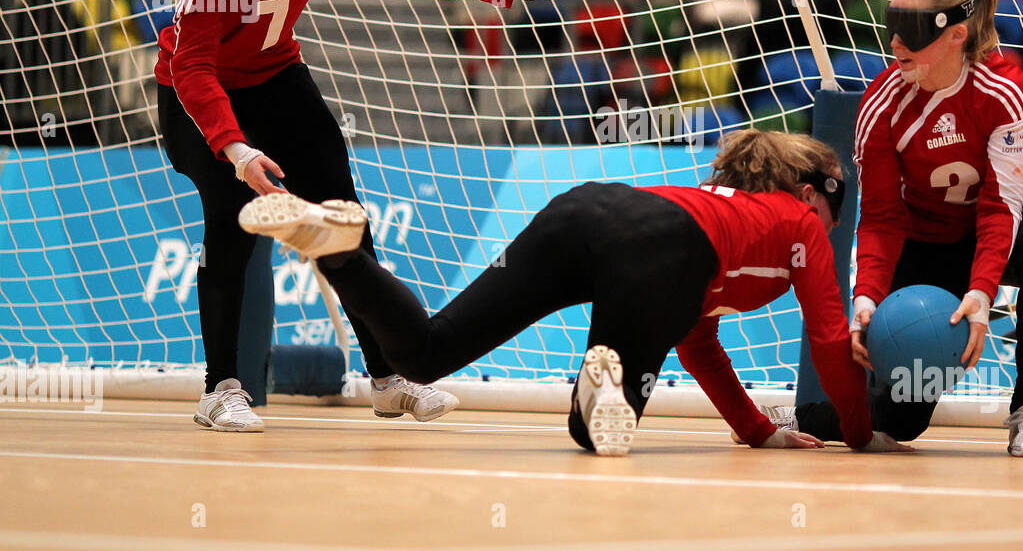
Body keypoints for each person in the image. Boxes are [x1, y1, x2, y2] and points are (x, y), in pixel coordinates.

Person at [154, 0, 578, 431]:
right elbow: (193, 67)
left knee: (342, 221)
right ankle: (220, 388)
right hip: (198, 97)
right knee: (229, 220)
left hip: (277, 78)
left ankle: (388, 378)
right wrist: (238, 151)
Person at [240, 129, 915, 456]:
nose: (837, 225)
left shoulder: (722, 215)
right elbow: (829, 342)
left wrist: (759, 433)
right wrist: (863, 436)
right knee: (591, 436)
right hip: (663, 252)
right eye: (838, 208)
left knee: (424, 353)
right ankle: (599, 383)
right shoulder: (799, 223)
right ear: (808, 193)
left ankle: (341, 248)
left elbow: (699, 345)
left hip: (587, 210)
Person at [765, 0, 1023, 456]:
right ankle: (801, 416)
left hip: (1003, 224)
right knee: (899, 418)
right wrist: (865, 300)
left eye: (911, 34)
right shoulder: (881, 104)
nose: (896, 45)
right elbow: (882, 216)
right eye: (893, 29)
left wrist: (980, 293)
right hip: (927, 237)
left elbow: (1000, 205)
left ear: (956, 35)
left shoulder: (1004, 89)